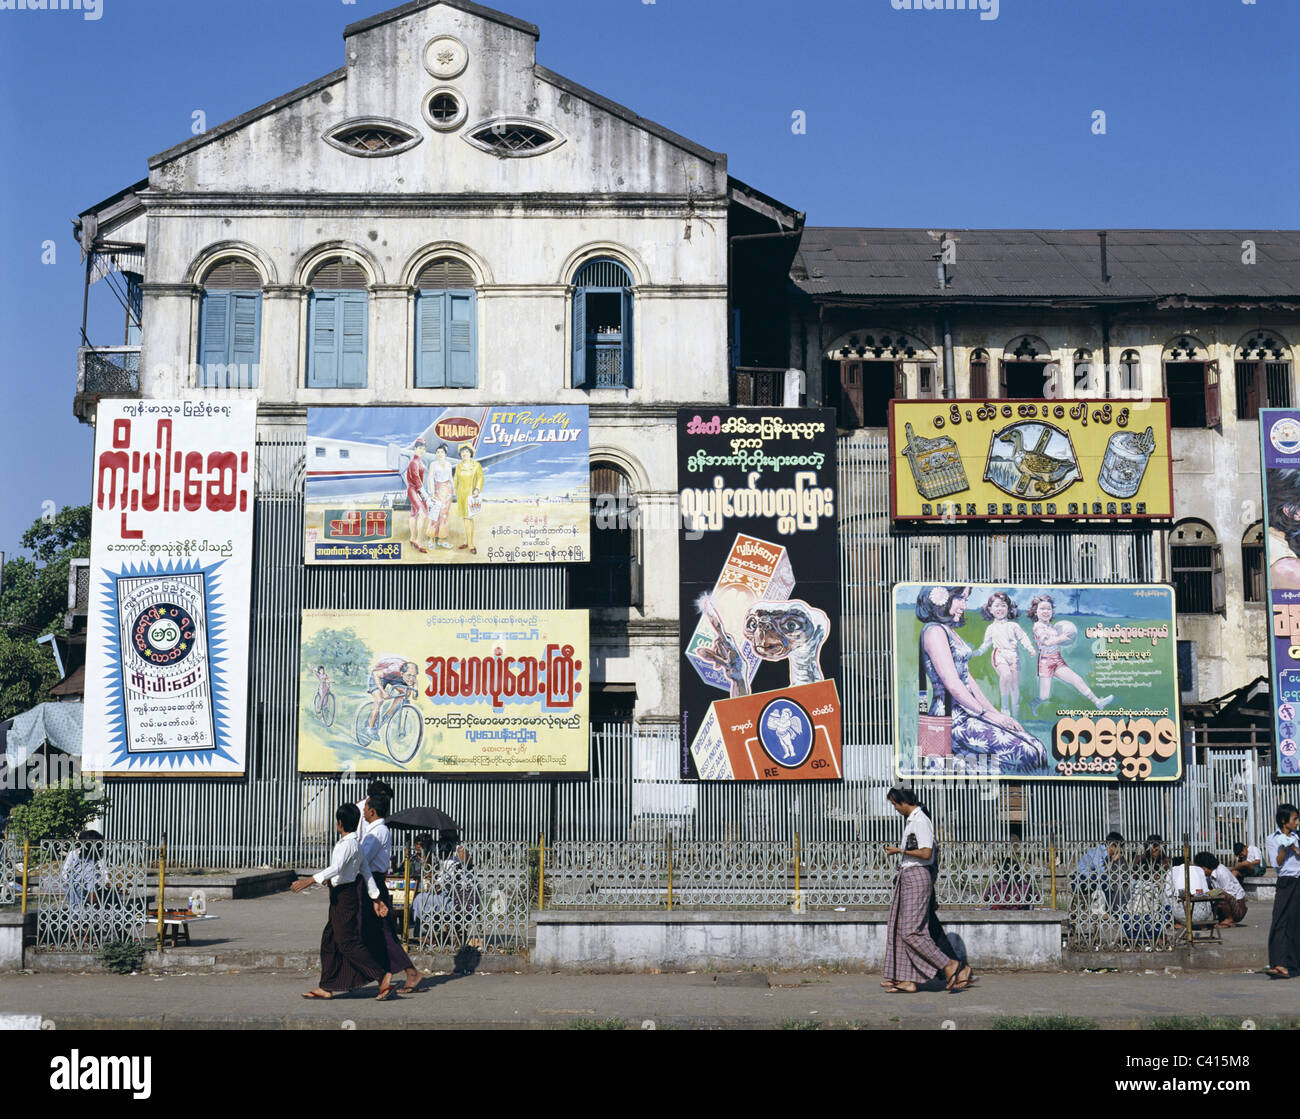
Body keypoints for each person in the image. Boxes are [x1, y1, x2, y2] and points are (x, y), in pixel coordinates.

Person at [916, 585, 1047, 774]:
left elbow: (967, 680)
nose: (964, 606)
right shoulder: (934, 631)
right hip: (951, 718)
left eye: (966, 600)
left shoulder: (948, 630)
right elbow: (953, 684)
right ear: (941, 599)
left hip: (971, 710)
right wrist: (988, 715)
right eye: (960, 598)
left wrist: (997, 714)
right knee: (1028, 753)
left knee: (1038, 748)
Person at [291, 803, 395, 1000]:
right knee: (330, 939)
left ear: (339, 823)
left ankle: (382, 975)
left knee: (347, 943)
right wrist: (376, 898)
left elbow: (336, 867)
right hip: (342, 895)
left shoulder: (348, 844)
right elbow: (366, 873)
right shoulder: (355, 844)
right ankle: (326, 985)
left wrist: (309, 880)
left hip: (344, 898)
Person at [880, 787, 971, 994]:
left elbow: (926, 853)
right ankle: (906, 978)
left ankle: (949, 964)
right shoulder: (913, 821)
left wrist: (898, 850)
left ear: (902, 801)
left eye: (894, 804)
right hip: (908, 876)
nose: (894, 808)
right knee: (901, 929)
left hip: (917, 876)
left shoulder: (920, 821)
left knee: (911, 931)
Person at [357, 794, 422, 993]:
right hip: (371, 881)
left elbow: (363, 860)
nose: (364, 811)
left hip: (372, 882)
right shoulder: (376, 830)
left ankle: (405, 972)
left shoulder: (377, 832)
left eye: (366, 808)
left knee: (379, 931)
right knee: (376, 930)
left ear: (372, 811)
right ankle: (388, 974)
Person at [1026, 594, 1113, 716]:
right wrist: (1062, 637)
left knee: (1076, 679)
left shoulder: (1053, 627)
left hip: (1057, 659)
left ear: (1052, 611)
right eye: (1042, 609)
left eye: (1048, 609)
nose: (1046, 611)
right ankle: (1034, 703)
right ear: (1035, 612)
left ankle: (1098, 702)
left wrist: (1066, 638)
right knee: (1044, 696)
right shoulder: (1038, 626)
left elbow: (1060, 642)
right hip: (1045, 662)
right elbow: (1047, 642)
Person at [972, 591, 1035, 717]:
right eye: (997, 606)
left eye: (1003, 606)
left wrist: (1030, 648)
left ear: (1008, 608)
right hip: (999, 655)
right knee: (1005, 675)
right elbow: (986, 644)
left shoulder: (1013, 625)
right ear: (990, 609)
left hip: (1014, 657)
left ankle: (1015, 717)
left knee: (1015, 687)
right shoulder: (991, 628)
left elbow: (1023, 637)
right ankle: (1004, 708)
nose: (1000, 609)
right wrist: (976, 653)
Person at [1265, 802, 1300, 978]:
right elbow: (1276, 863)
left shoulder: (1298, 836)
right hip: (1285, 882)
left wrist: (1295, 847)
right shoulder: (1272, 838)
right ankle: (1278, 962)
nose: (1297, 822)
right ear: (1284, 821)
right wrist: (1285, 848)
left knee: (1294, 923)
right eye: (1294, 819)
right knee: (1279, 921)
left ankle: (1292, 964)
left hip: (1298, 880)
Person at [363, 657, 418, 743]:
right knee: (379, 700)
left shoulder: (410, 672)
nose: (411, 678)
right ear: (402, 673)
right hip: (378, 676)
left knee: (406, 693)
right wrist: (383, 691)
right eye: (409, 676)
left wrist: (415, 691)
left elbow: (413, 680)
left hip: (395, 677)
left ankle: (388, 715)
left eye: (413, 676)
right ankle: (370, 728)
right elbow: (376, 674)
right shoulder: (393, 669)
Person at [1072, 832, 1128, 911]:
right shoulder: (1098, 852)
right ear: (1112, 846)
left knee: (1108, 882)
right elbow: (1100, 872)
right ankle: (1110, 910)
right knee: (1105, 881)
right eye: (1119, 847)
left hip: (1091, 878)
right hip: (1080, 879)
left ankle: (1111, 909)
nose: (1120, 850)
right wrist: (1113, 861)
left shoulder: (1106, 855)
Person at [1193, 851, 1247, 927]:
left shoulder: (1221, 872)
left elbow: (1230, 893)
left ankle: (1229, 919)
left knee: (1220, 895)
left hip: (1237, 907)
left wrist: (1213, 893)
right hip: (1230, 902)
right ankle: (1221, 919)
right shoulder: (1211, 874)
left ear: (1204, 868)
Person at [453, 442, 485, 555]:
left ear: (470, 453)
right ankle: (468, 541)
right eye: (462, 452)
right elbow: (456, 479)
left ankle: (471, 544)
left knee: (468, 518)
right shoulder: (458, 466)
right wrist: (454, 490)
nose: (464, 454)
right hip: (461, 495)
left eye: (466, 452)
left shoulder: (476, 465)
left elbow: (480, 478)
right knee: (466, 518)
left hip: (472, 494)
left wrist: (477, 489)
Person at [1164, 857, 1213, 926]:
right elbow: (1206, 891)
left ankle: (1173, 922)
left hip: (1181, 914)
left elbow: (1168, 892)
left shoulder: (1172, 870)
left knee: (1163, 893)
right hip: (1204, 913)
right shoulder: (1199, 870)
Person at [425, 443, 455, 551]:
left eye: (442, 452)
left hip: (447, 492)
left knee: (444, 516)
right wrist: (432, 493)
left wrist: (453, 489)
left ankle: (442, 539)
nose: (439, 454)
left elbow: (451, 478)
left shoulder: (448, 464)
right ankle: (432, 539)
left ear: (445, 453)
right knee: (435, 514)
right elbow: (430, 478)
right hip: (437, 490)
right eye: (437, 452)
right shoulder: (433, 464)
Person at [403, 437, 431, 554]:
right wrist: (424, 493)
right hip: (414, 489)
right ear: (415, 448)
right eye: (420, 448)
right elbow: (416, 479)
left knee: (414, 514)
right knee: (423, 515)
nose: (422, 450)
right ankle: (419, 541)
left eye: (423, 448)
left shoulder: (418, 461)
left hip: (415, 490)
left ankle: (413, 539)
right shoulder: (414, 462)